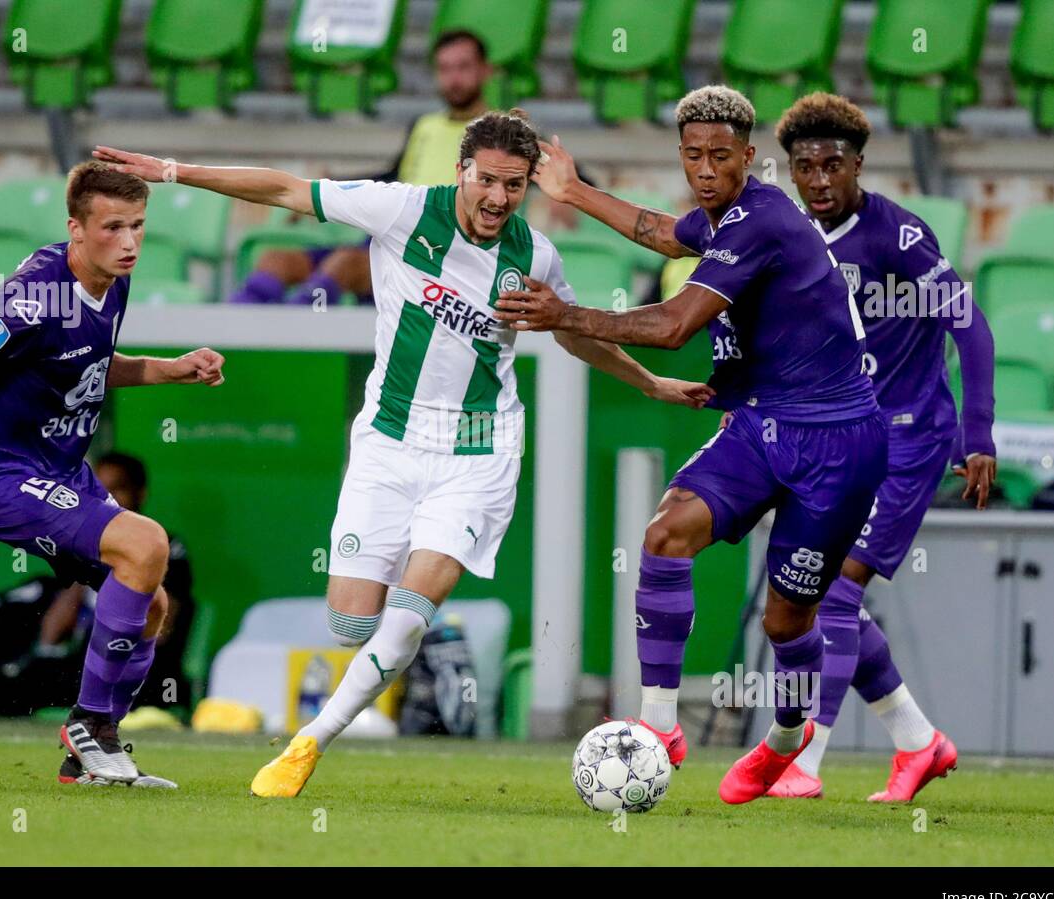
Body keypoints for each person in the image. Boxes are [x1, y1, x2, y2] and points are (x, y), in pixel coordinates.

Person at [93, 109, 712, 798]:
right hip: (388, 441)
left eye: (515, 185)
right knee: (352, 621)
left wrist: (650, 382)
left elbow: (574, 335)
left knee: (413, 609)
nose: (500, 199)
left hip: (479, 449)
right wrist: (175, 172)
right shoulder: (402, 211)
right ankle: (390, 642)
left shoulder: (534, 257)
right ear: (461, 172)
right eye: (488, 181)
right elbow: (287, 190)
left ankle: (309, 742)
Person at [499, 86, 888, 805]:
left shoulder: (762, 220)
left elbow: (677, 323)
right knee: (665, 534)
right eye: (692, 155)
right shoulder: (719, 218)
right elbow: (659, 231)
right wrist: (574, 189)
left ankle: (787, 733)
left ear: (748, 157)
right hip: (758, 424)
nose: (704, 169)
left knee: (784, 619)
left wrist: (564, 314)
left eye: (719, 156)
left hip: (838, 444)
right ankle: (659, 726)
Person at [0, 161, 226, 788]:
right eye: (112, 228)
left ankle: (91, 754)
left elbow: (88, 365)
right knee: (148, 541)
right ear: (75, 229)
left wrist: (168, 369)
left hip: (59, 468)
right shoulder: (30, 300)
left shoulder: (113, 281)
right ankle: (86, 723)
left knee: (151, 603)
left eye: (138, 227)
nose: (129, 242)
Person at [765, 92, 996, 801]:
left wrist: (977, 432)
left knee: (831, 595)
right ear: (792, 173)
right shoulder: (789, 236)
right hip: (834, 444)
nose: (822, 180)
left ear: (859, 165)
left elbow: (970, 325)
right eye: (807, 167)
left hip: (908, 439)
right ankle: (918, 743)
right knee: (816, 598)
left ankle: (803, 762)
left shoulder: (897, 238)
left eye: (835, 164)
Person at [230, 30, 493, 307]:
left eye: (463, 67)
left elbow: (522, 177)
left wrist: (545, 191)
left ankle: (290, 342)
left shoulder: (499, 132)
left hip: (430, 256)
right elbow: (393, 178)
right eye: (444, 69)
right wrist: (325, 186)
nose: (453, 79)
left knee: (343, 264)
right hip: (382, 239)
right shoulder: (425, 125)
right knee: (275, 260)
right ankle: (227, 339)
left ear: (485, 70)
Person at [37, 451, 196, 714]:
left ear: (140, 494)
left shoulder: (166, 546)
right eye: (99, 489)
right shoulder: (89, 543)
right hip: (84, 663)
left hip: (140, 668)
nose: (107, 499)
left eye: (117, 489)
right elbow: (53, 630)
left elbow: (162, 629)